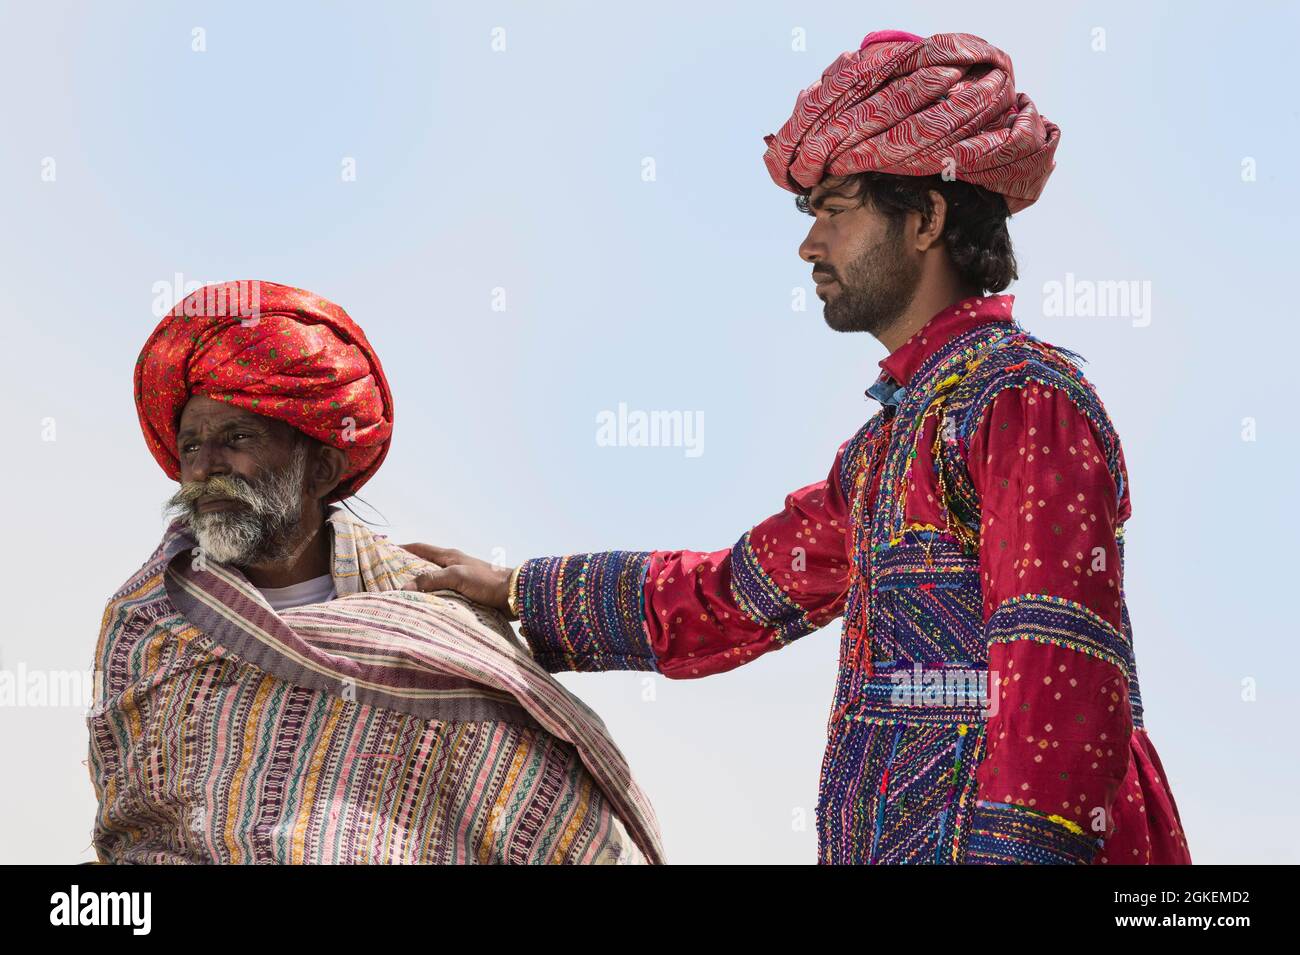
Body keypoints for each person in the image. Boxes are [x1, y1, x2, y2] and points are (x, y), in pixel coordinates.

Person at [402, 30, 1192, 865]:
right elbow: (735, 594)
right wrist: (521, 589)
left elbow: (1059, 680)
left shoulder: (1022, 401)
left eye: (834, 211)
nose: (810, 246)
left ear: (924, 218)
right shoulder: (886, 448)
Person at [89, 280, 663, 864]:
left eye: (237, 438)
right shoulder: (147, 623)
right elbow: (135, 830)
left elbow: (535, 819)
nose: (207, 467)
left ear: (323, 468)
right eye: (190, 447)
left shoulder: (435, 618)